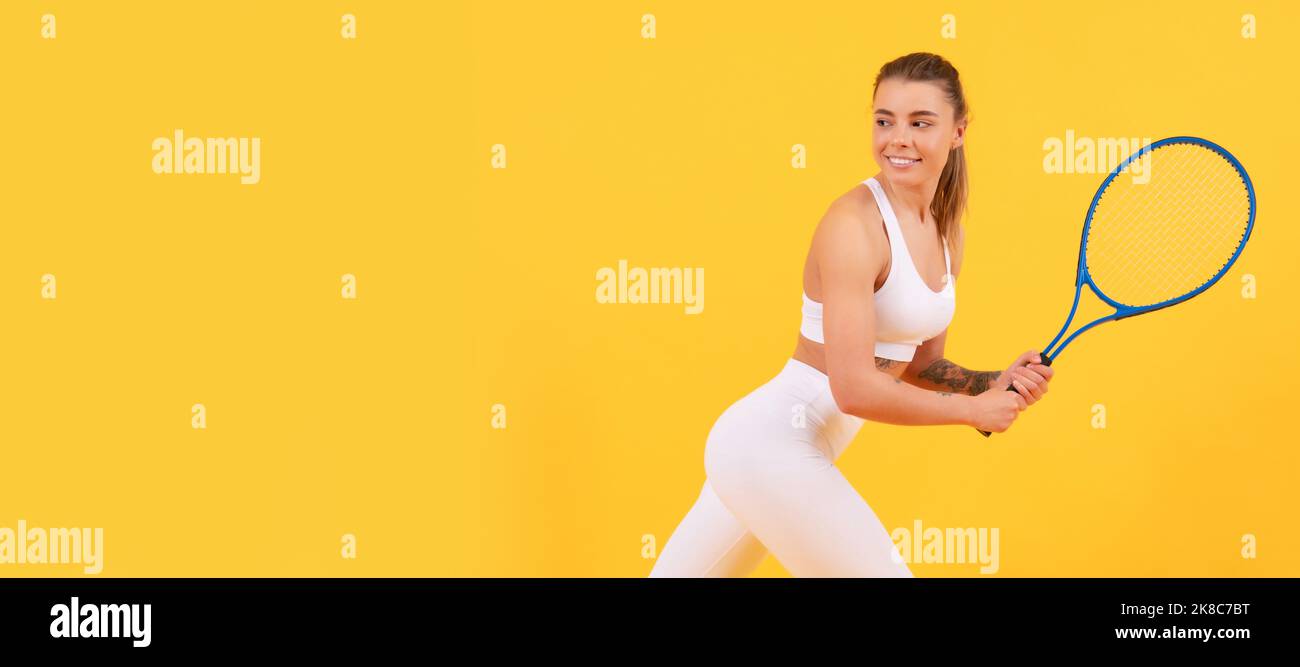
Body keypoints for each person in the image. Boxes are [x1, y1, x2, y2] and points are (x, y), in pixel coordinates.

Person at [649, 52, 1055, 578]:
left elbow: (919, 364)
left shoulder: (947, 231)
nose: (897, 139)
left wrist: (990, 382)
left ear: (958, 131)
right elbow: (854, 388)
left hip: (788, 449)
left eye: (920, 123)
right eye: (884, 120)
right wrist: (972, 412)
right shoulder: (854, 224)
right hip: (768, 443)